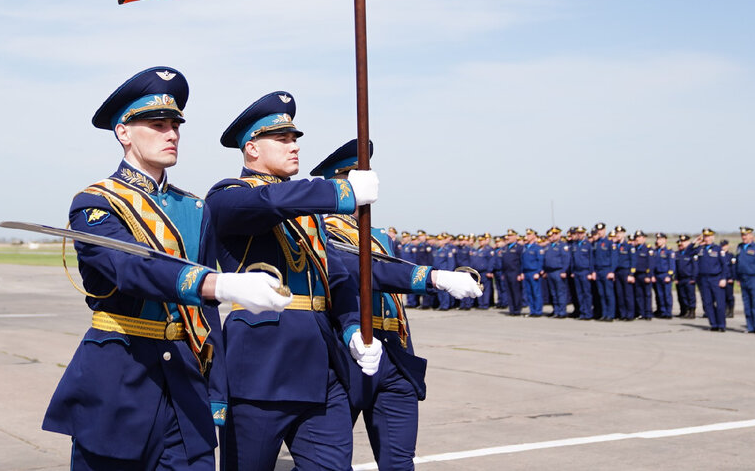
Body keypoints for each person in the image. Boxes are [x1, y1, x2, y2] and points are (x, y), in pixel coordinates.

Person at [43, 67, 291, 471]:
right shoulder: (96, 203)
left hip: (186, 384)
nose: (172, 134)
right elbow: (129, 268)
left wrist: (217, 391)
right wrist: (217, 283)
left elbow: (206, 315)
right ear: (124, 132)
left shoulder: (194, 208)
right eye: (157, 125)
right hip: (119, 378)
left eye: (175, 126)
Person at [205, 91, 382, 471]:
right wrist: (341, 190)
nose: (294, 146)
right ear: (251, 149)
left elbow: (337, 278)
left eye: (295, 138)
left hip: (321, 368)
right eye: (282, 139)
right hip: (259, 370)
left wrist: (352, 327)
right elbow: (268, 203)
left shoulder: (309, 213)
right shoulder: (229, 195)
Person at [314, 139, 480, 471]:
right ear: (339, 183)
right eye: (355, 178)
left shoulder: (381, 235)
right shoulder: (323, 232)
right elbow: (365, 269)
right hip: (346, 353)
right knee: (326, 463)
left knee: (399, 461)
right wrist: (433, 277)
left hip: (393, 350)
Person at [733, 227, 755, 334]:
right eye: (743, 235)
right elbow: (737, 264)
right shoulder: (740, 247)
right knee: (747, 304)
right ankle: (750, 327)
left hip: (754, 278)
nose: (744, 237)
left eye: (746, 235)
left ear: (751, 236)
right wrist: (738, 278)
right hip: (743, 278)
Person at [693, 229, 730, 332]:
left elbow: (724, 265)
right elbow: (687, 253)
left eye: (709, 236)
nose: (707, 238)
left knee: (720, 303)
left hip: (716, 278)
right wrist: (694, 242)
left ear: (713, 237)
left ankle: (721, 325)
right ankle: (713, 324)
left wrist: (723, 278)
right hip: (704, 279)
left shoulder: (718, 249)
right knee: (707, 303)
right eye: (705, 236)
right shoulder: (700, 249)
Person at [541, 227, 571, 317]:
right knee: (553, 292)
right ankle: (556, 310)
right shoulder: (548, 246)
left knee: (560, 292)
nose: (553, 236)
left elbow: (566, 259)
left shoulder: (563, 246)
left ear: (559, 235)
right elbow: (545, 259)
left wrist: (564, 270)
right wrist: (545, 271)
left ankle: (562, 311)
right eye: (552, 234)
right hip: (550, 271)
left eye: (555, 234)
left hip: (558, 271)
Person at [591, 223, 616, 321]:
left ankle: (610, 314)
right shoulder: (595, 243)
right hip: (598, 270)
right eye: (598, 231)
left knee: (608, 293)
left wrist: (612, 271)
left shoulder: (610, 243)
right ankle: (604, 314)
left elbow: (614, 258)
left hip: (607, 270)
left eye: (601, 230)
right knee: (601, 294)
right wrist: (593, 271)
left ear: (605, 230)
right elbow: (593, 258)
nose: (600, 232)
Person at [628, 231, 654, 320]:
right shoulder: (634, 249)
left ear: (644, 238)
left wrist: (648, 275)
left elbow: (650, 264)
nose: (637, 239)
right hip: (637, 275)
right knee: (639, 295)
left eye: (639, 237)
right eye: (636, 237)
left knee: (647, 295)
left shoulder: (648, 249)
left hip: (645, 274)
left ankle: (648, 313)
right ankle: (641, 313)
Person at [652, 232, 675, 319]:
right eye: (657, 239)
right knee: (659, 294)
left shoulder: (669, 251)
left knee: (667, 294)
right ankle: (662, 311)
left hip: (665, 275)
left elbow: (672, 265)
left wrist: (669, 275)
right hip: (657, 275)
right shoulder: (655, 251)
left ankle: (668, 312)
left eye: (660, 239)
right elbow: (653, 264)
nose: (658, 241)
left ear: (665, 240)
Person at [675, 234, 697, 319]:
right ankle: (686, 311)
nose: (682, 243)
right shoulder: (679, 253)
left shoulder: (691, 253)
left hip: (689, 278)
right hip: (681, 278)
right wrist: (676, 277)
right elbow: (677, 267)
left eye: (684, 241)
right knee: (683, 296)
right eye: (681, 241)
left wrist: (693, 278)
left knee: (690, 296)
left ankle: (692, 312)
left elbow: (695, 267)